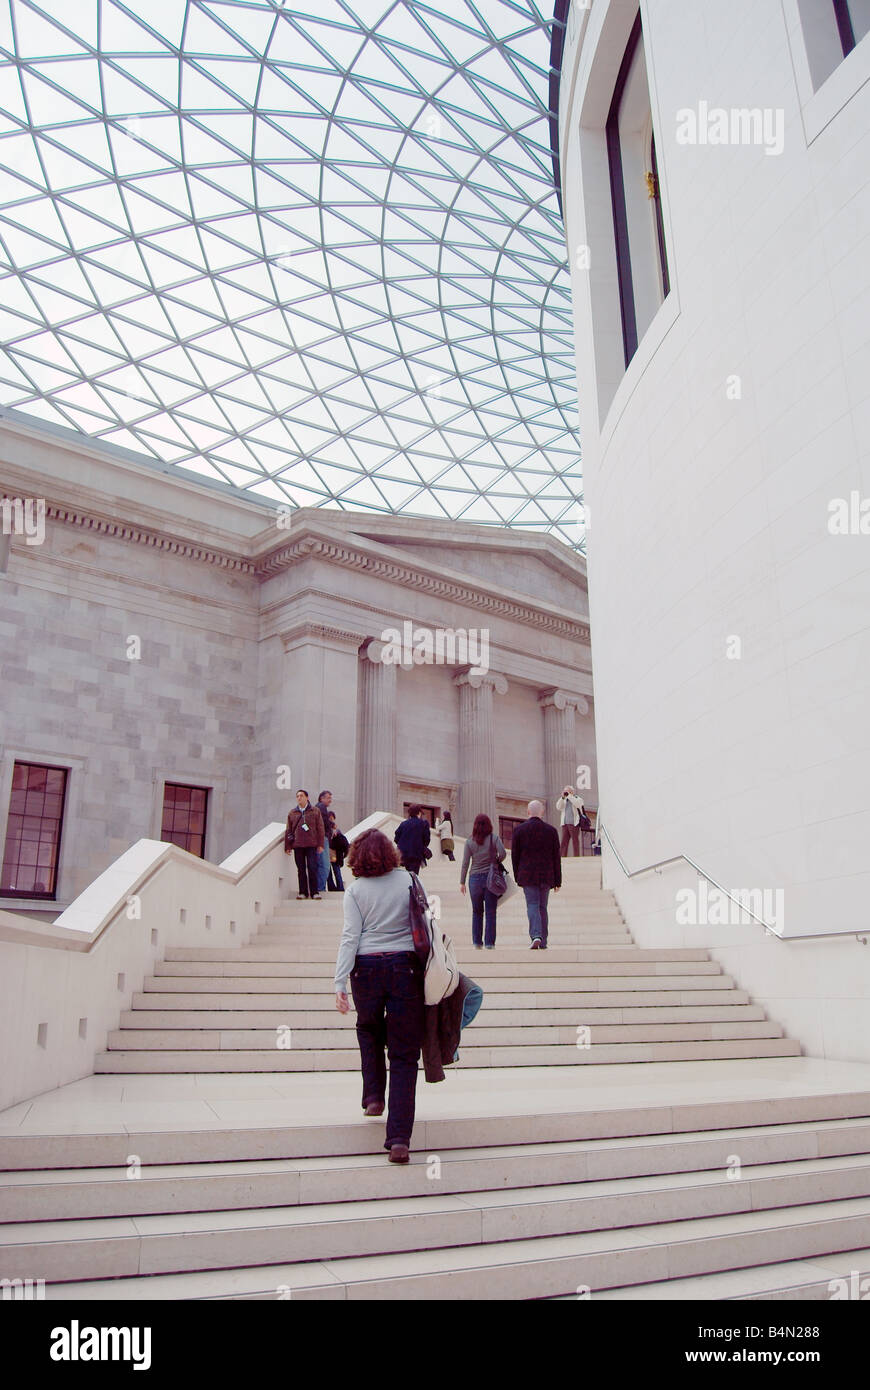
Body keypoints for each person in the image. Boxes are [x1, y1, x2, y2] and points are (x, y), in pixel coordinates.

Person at [334, 829, 425, 1164]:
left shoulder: (355, 890)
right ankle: (399, 1139)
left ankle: (374, 1095)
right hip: (405, 967)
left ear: (356, 856)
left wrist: (339, 981)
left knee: (368, 1028)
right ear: (391, 852)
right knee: (404, 1054)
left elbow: (350, 936)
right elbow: (427, 924)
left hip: (367, 968)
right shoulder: (410, 881)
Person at [511, 799, 561, 949]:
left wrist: (517, 876)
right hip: (546, 875)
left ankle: (536, 935)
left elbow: (515, 856)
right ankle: (543, 940)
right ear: (542, 812)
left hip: (527, 875)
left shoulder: (519, 830)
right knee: (542, 907)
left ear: (528, 812)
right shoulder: (551, 831)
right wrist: (558, 880)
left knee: (532, 905)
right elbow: (556, 858)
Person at [459, 813, 506, 949]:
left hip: (474, 879)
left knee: (477, 912)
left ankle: (477, 943)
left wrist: (462, 882)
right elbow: (503, 853)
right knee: (491, 912)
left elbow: (465, 863)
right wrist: (495, 862)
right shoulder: (494, 838)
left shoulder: (469, 841)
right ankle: (490, 943)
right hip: (490, 878)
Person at [285, 789, 325, 900]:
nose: (299, 798)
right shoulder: (292, 813)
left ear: (307, 797)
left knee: (312, 868)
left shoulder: (315, 811)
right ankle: (302, 892)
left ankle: (314, 892)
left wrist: (320, 844)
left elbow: (320, 828)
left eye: (301, 796)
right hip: (298, 845)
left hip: (311, 844)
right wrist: (288, 846)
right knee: (301, 869)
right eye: (297, 796)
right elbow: (288, 830)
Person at [394, 804, 430, 875]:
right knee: (414, 876)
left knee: (403, 875)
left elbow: (396, 838)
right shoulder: (423, 824)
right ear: (419, 813)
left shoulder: (404, 824)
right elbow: (426, 840)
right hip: (416, 854)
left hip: (402, 855)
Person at [556, 785, 586, 857]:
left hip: (574, 823)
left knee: (575, 840)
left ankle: (576, 856)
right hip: (565, 823)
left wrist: (569, 796)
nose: (566, 792)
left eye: (568, 791)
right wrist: (562, 797)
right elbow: (558, 807)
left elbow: (578, 805)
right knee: (564, 841)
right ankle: (562, 856)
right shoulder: (564, 800)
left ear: (572, 792)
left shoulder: (577, 798)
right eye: (565, 791)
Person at [315, 790, 333, 892]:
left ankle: (318, 888)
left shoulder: (318, 807)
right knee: (325, 865)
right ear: (322, 798)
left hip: (319, 839)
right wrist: (331, 827)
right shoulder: (321, 807)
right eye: (328, 798)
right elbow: (324, 823)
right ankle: (320, 888)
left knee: (320, 865)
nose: (330, 800)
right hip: (322, 839)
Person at [326, 811, 349, 892]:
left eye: (332, 818)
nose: (331, 820)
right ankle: (332, 887)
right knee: (329, 873)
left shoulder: (337, 831)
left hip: (334, 854)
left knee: (336, 872)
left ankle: (339, 888)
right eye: (330, 818)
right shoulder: (329, 829)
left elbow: (342, 842)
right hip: (328, 854)